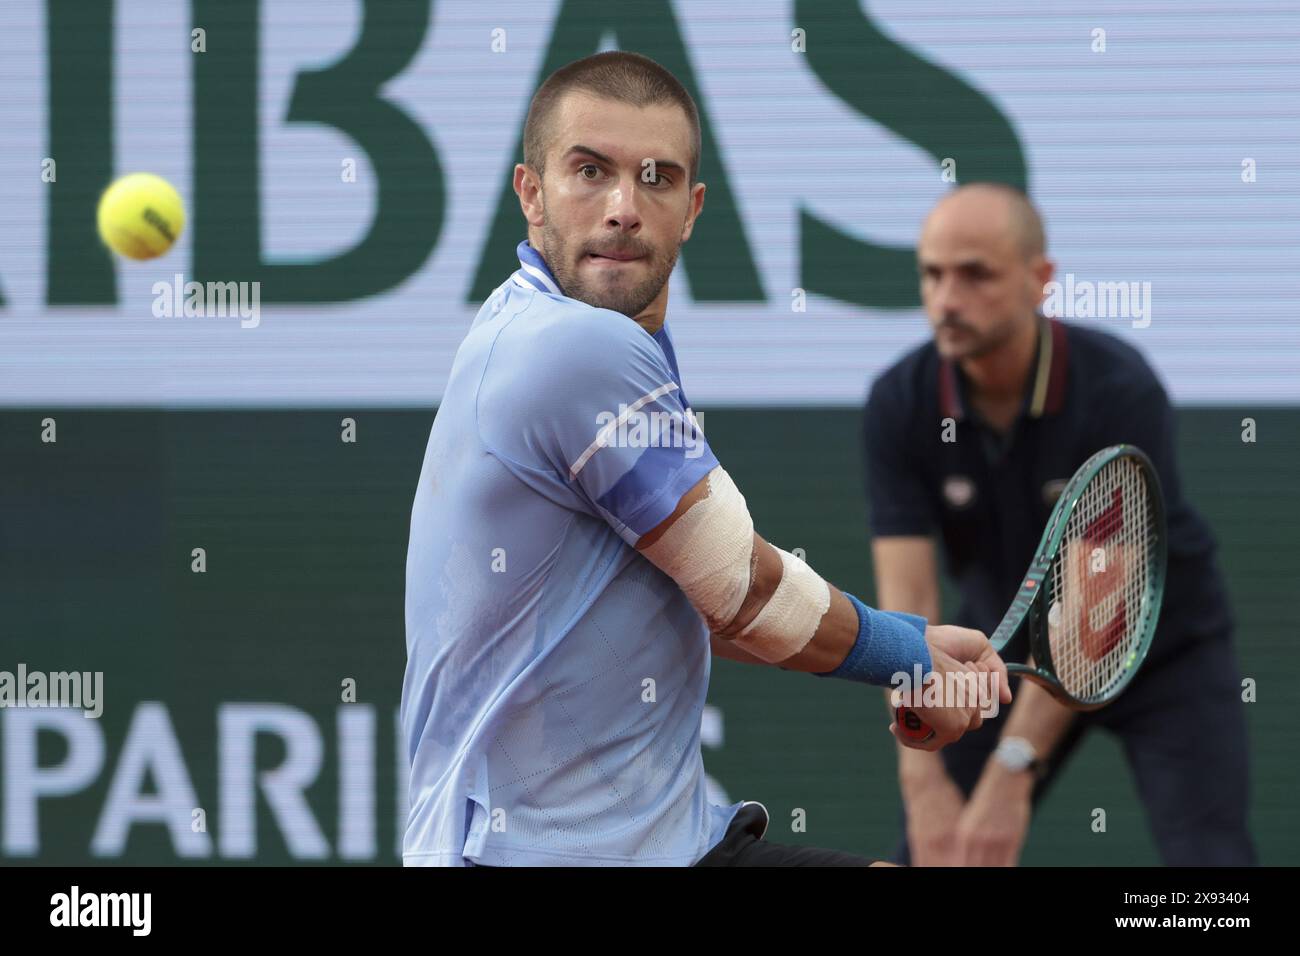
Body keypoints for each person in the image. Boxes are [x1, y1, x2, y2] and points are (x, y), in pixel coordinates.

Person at [400, 51, 1008, 867]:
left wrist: (912, 649)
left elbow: (700, 599)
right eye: (589, 171)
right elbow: (738, 587)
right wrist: (908, 657)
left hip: (666, 845)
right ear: (530, 194)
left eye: (654, 178)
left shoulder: (571, 332)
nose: (622, 207)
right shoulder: (572, 349)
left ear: (690, 209)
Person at [865, 182, 1257, 866]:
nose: (947, 298)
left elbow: (1091, 622)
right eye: (932, 273)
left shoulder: (1117, 387)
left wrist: (1009, 775)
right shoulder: (900, 401)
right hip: (1005, 651)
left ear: (1039, 280)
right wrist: (920, 778)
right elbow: (911, 611)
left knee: (1212, 870)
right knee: (926, 855)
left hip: (1162, 654)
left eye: (975, 274)